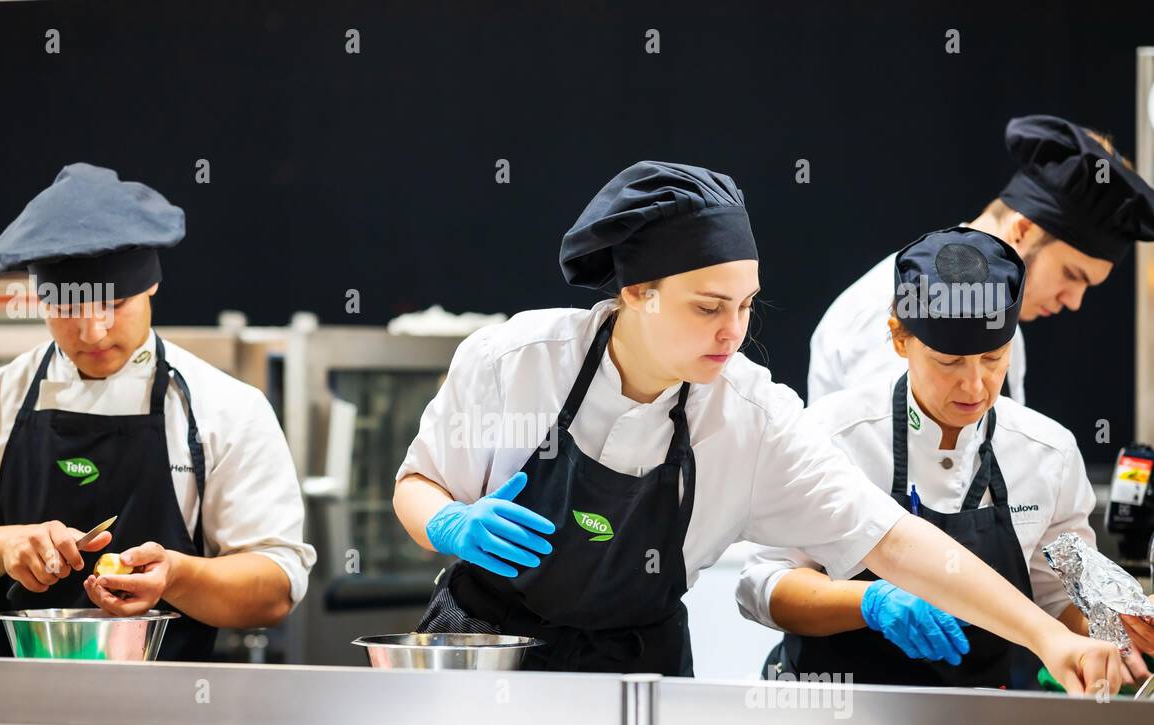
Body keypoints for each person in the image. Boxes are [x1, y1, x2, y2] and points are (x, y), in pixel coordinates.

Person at [391, 161, 1122, 693]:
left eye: (747, 306)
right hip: (486, 658)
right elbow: (419, 482)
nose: (733, 333)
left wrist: (1047, 634)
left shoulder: (750, 414)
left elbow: (893, 539)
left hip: (636, 678)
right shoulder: (516, 361)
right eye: (709, 307)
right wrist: (447, 522)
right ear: (637, 292)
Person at [0, 163, 315, 660]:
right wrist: (3, 546)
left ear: (151, 286)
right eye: (68, 308)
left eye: (113, 304)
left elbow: (275, 587)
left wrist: (177, 577)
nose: (91, 333)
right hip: (11, 717)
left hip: (175, 716)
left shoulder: (227, 408)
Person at [740, 226, 1152, 688]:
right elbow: (762, 587)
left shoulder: (1048, 453)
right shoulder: (831, 434)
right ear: (899, 339)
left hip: (981, 722)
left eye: (994, 358)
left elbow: (1057, 598)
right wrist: (869, 602)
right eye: (949, 362)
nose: (975, 386)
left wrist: (1115, 629)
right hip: (838, 715)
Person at [807, 115, 1154, 404]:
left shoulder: (1002, 324)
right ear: (1024, 230)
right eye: (1072, 274)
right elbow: (897, 467)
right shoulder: (902, 305)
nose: (1074, 301)